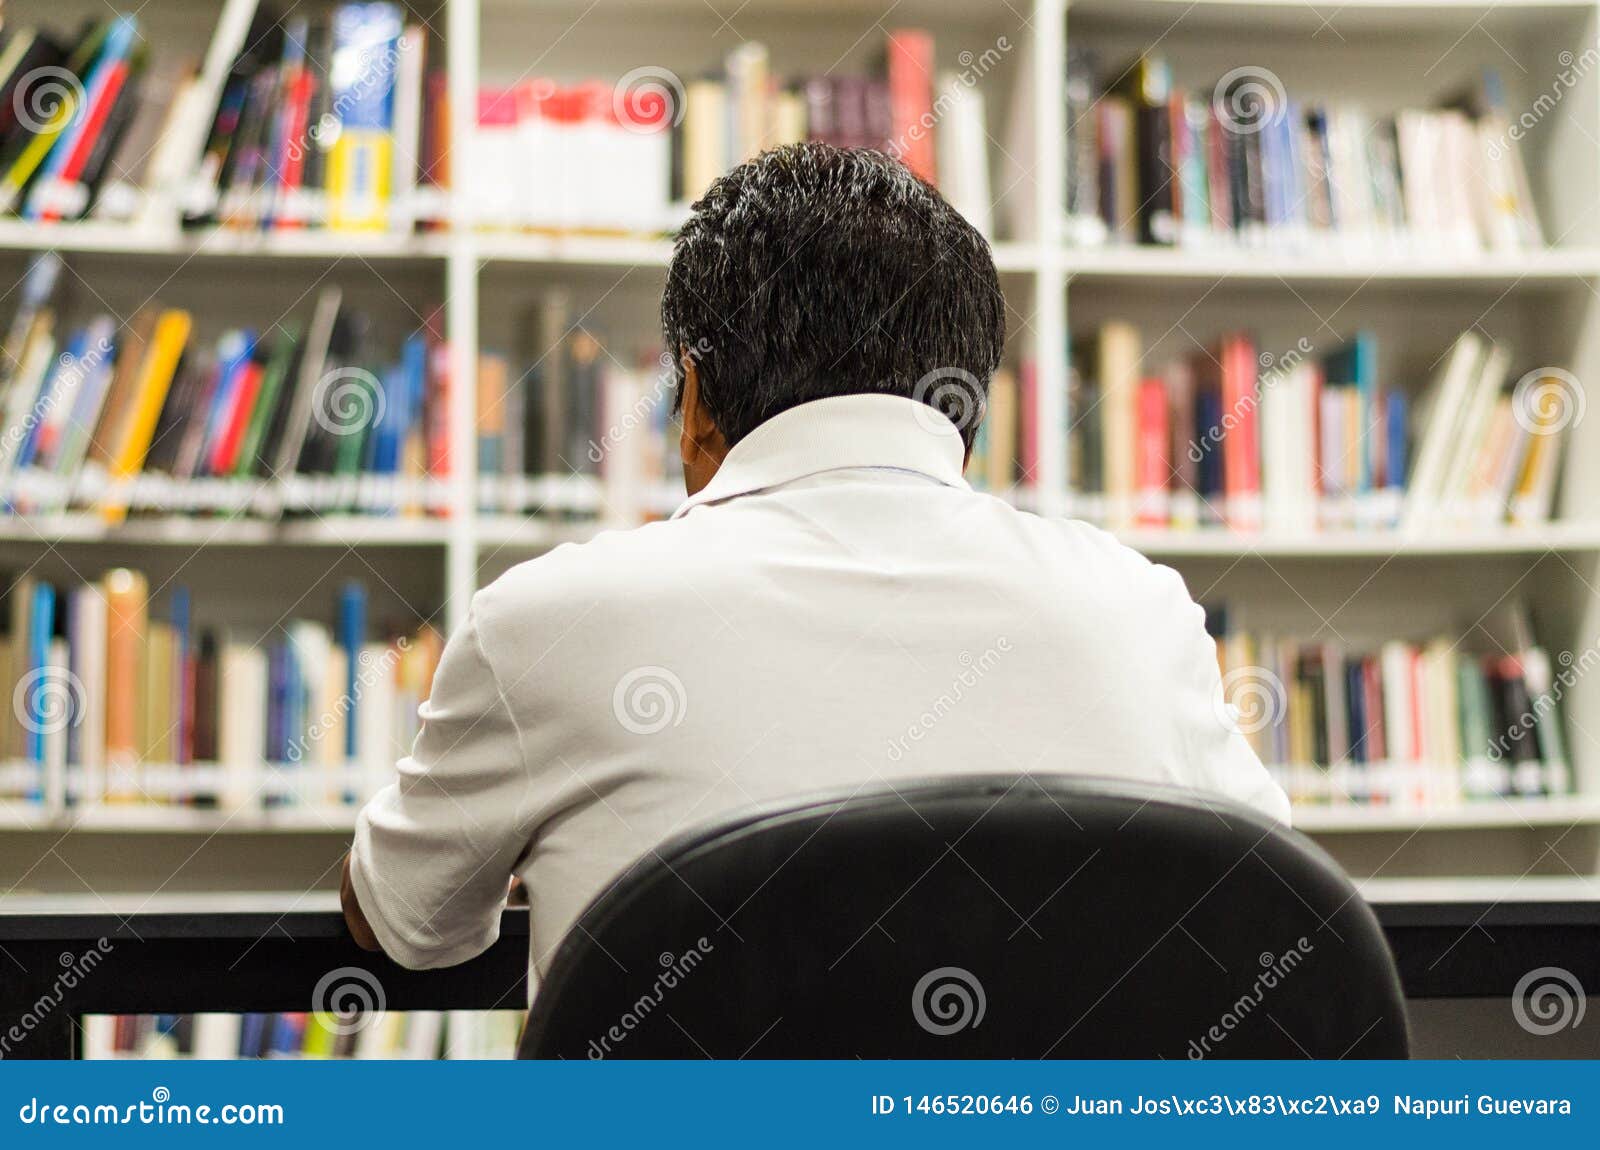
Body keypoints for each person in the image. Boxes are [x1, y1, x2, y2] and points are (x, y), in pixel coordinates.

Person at [342, 143, 1289, 974]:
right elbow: (1275, 905)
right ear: (967, 409)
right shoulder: (1135, 608)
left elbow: (400, 918)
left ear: (697, 399)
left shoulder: (548, 622)